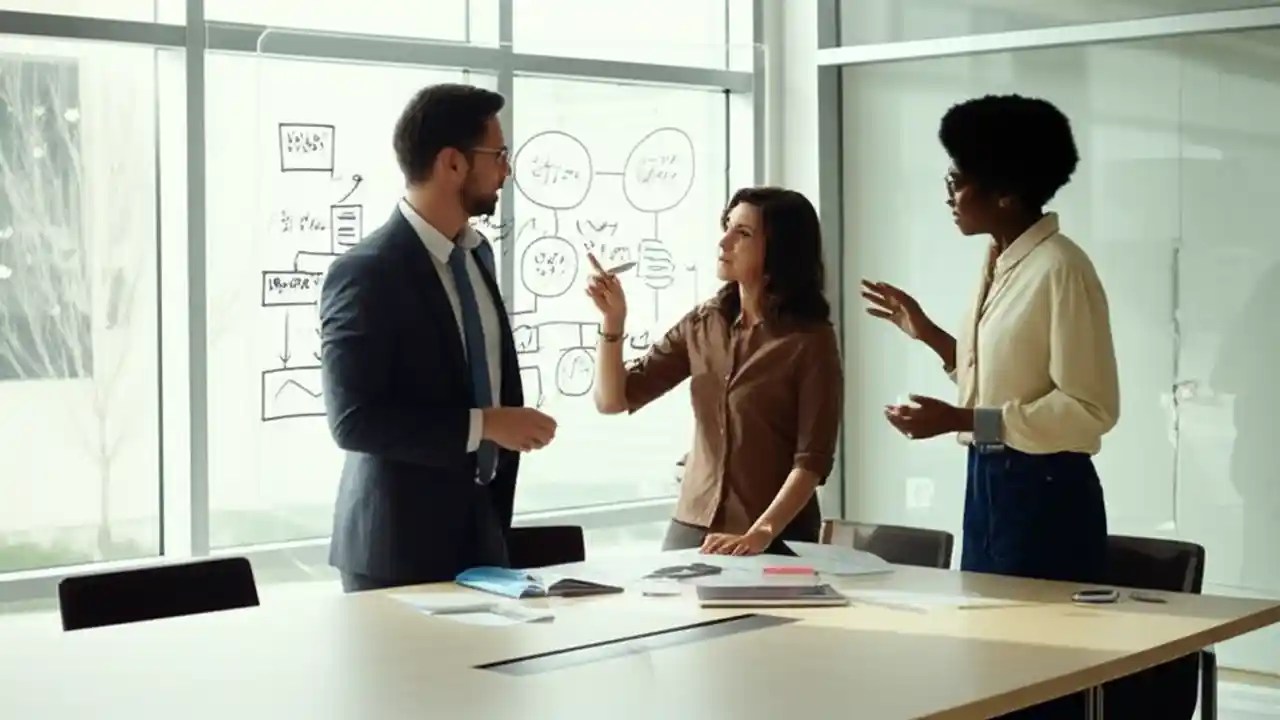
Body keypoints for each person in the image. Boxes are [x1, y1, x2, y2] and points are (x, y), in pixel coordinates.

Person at [862, 94, 1118, 717]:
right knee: (989, 661)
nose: (948, 195)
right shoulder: (1000, 259)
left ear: (1004, 193)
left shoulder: (1061, 268)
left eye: (957, 181)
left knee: (1039, 677)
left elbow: (1089, 408)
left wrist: (957, 420)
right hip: (993, 481)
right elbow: (1006, 383)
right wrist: (928, 334)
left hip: (1047, 490)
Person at [319, 83, 557, 593]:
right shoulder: (366, 272)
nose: (506, 171)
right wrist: (487, 424)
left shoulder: (476, 255)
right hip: (395, 550)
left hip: (483, 535)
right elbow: (353, 421)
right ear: (452, 164)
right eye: (498, 155)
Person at [587, 187, 842, 556]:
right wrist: (613, 320)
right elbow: (613, 399)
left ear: (780, 250)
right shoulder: (704, 323)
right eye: (727, 226)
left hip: (775, 535)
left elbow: (812, 461)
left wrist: (760, 533)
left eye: (742, 233)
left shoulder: (809, 341)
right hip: (693, 525)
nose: (724, 242)